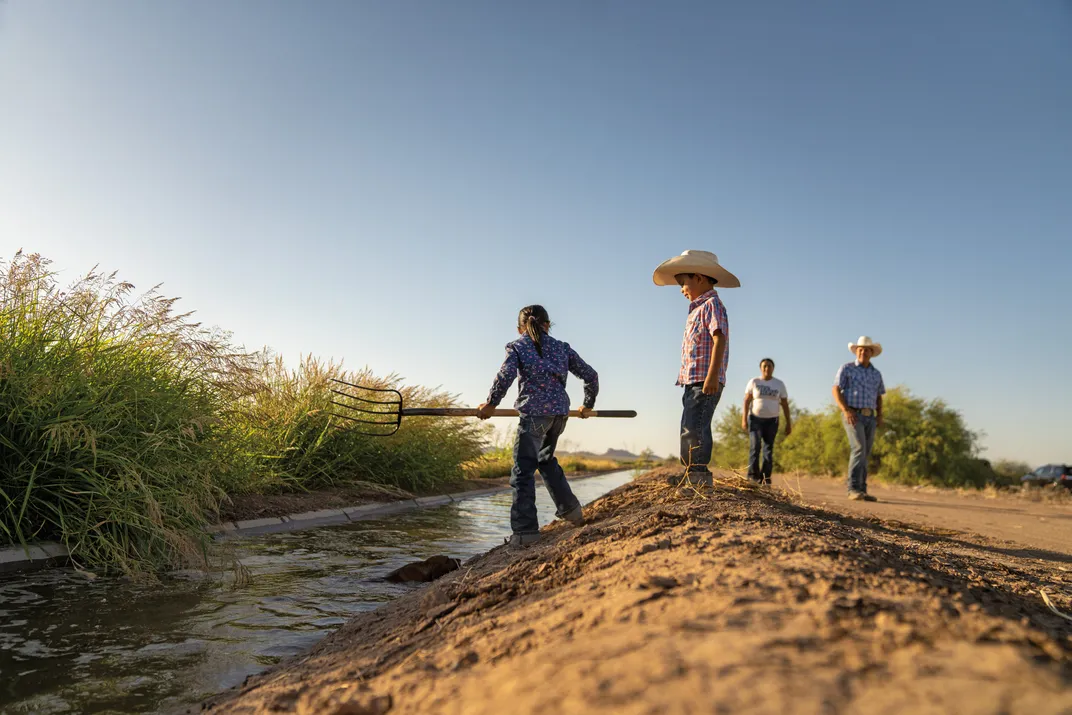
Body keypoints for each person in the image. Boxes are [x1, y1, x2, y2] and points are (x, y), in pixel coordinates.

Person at [477, 305, 598, 547]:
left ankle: (525, 533)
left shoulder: (518, 346)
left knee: (522, 470)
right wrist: (587, 405)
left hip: (534, 413)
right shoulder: (562, 347)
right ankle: (572, 511)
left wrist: (490, 403)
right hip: (559, 414)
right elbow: (591, 375)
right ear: (548, 324)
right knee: (544, 459)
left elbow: (505, 376)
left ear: (519, 328)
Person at [653, 250, 740, 486]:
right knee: (689, 424)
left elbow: (719, 339)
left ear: (699, 278)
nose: (682, 289)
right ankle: (691, 471)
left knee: (696, 426)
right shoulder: (697, 309)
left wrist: (712, 376)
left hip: (705, 379)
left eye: (683, 283)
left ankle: (698, 475)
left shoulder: (712, 304)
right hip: (693, 380)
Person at [832, 336, 886, 501]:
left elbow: (879, 396)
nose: (863, 352)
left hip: (870, 416)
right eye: (860, 349)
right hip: (853, 414)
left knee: (865, 452)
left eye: (866, 349)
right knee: (858, 449)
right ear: (856, 351)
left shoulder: (876, 374)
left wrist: (880, 415)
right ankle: (853, 488)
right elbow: (836, 389)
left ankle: (862, 490)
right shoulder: (847, 368)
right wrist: (846, 410)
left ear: (871, 353)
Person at [742, 358, 792, 486]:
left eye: (769, 366)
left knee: (768, 450)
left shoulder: (779, 384)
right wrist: (744, 419)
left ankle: (765, 479)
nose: (766, 368)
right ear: (760, 368)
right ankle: (752, 477)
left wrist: (788, 423)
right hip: (755, 419)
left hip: (772, 420)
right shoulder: (754, 382)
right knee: (755, 447)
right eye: (764, 366)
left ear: (773, 368)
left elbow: (785, 404)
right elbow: (747, 400)